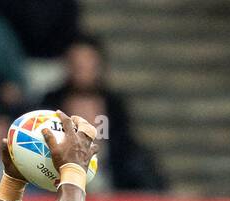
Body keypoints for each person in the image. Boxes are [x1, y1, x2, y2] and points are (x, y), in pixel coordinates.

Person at [41, 34, 166, 191]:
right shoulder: (52, 102)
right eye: (77, 64)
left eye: (88, 63)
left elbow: (122, 144)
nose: (83, 70)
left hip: (108, 177)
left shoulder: (113, 104)